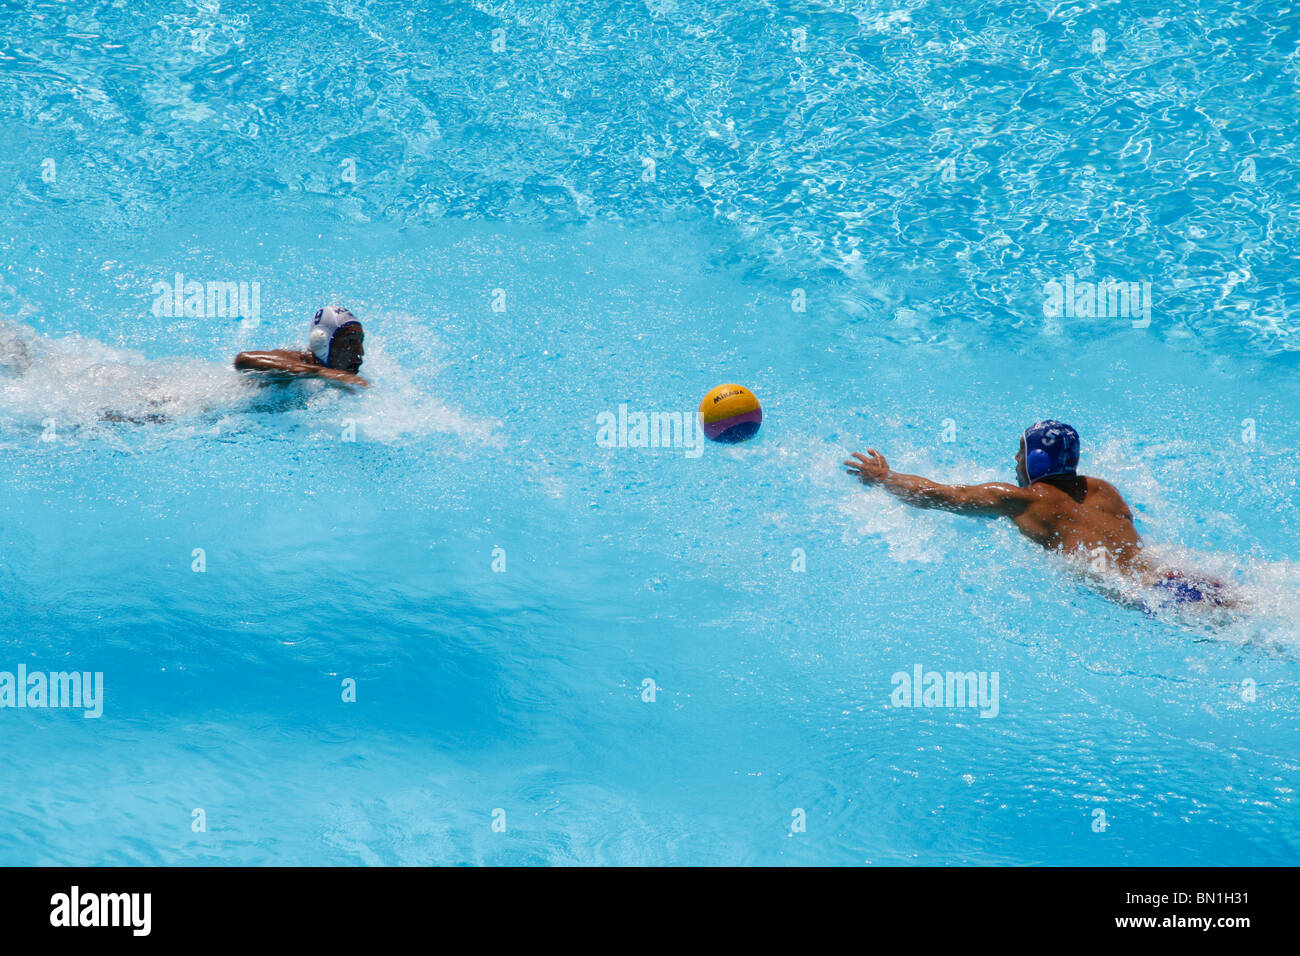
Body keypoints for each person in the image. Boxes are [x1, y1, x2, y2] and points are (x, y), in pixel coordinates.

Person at [843, 420, 1233, 611]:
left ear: (1034, 458)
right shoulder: (1104, 490)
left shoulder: (1022, 501)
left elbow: (939, 495)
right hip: (1174, 578)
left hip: (1146, 598)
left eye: (1019, 452)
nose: (1015, 460)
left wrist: (884, 478)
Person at [234, 306, 369, 387]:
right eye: (351, 342)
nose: (360, 352)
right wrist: (320, 373)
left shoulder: (338, 382)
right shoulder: (294, 361)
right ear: (322, 341)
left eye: (360, 342)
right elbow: (243, 360)